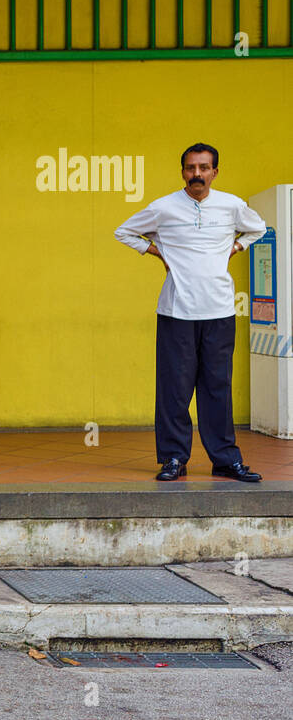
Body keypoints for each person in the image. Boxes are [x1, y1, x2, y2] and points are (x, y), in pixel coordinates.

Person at [114, 142, 266, 482]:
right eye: (190, 168)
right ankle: (173, 459)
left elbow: (258, 228)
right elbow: (123, 231)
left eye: (203, 168)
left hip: (220, 310)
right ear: (183, 171)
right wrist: (157, 252)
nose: (197, 174)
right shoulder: (163, 208)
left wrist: (236, 246)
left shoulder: (231, 205)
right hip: (176, 312)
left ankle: (226, 460)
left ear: (214, 171)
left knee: (217, 387)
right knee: (174, 389)